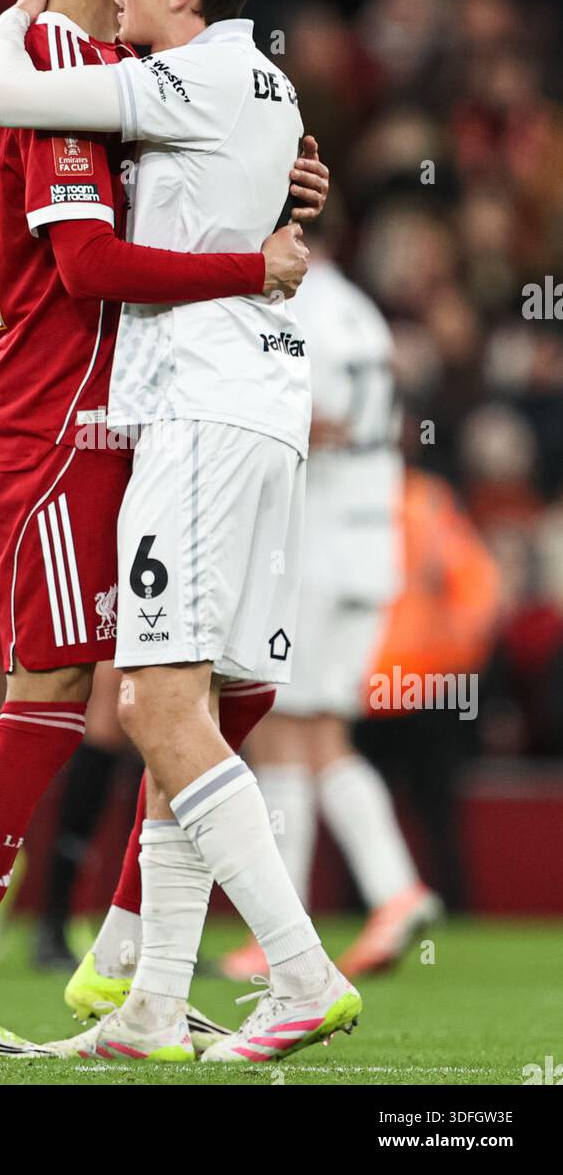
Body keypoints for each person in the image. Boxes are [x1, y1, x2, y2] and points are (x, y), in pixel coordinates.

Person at [0, 0, 324, 1061]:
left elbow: (67, 247)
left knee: (217, 688)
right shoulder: (49, 58)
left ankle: (130, 966)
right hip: (59, 423)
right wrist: (257, 262)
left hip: (139, 412)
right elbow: (83, 266)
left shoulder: (117, 66)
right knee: (52, 701)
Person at [221, 246, 442, 984]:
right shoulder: (362, 311)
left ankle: (277, 936)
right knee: (319, 733)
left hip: (314, 545)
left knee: (281, 731)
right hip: (371, 540)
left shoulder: (303, 304)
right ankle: (394, 890)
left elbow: (321, 417)